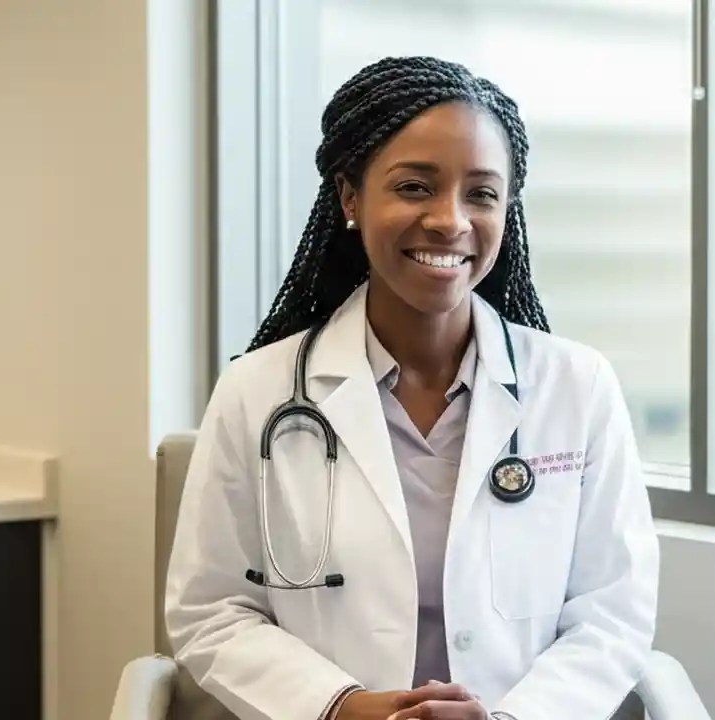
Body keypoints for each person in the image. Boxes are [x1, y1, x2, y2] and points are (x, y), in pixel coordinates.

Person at [166, 56, 658, 720]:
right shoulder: (258, 392)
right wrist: (345, 707)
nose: (450, 220)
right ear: (349, 197)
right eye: (415, 187)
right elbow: (212, 611)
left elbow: (612, 614)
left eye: (481, 193)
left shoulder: (577, 387)